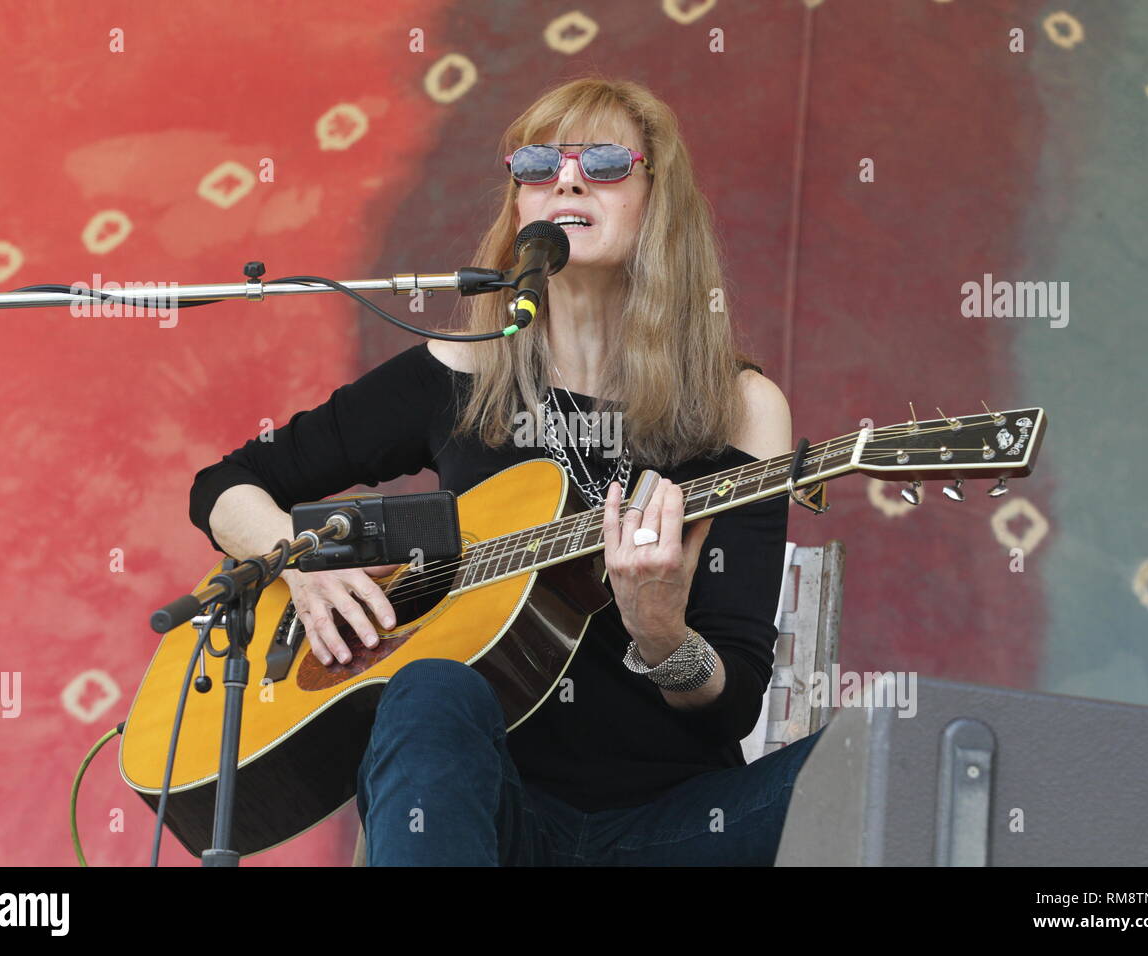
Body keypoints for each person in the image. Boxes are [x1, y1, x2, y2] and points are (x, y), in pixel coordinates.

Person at [189, 76, 825, 866]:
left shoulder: (740, 406)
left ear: (659, 199)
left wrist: (661, 631)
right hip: (492, 819)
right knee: (428, 686)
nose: (565, 178)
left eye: (603, 161)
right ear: (520, 207)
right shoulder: (456, 372)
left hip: (678, 827)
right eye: (536, 164)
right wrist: (304, 564)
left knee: (879, 755)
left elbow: (731, 703)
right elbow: (224, 485)